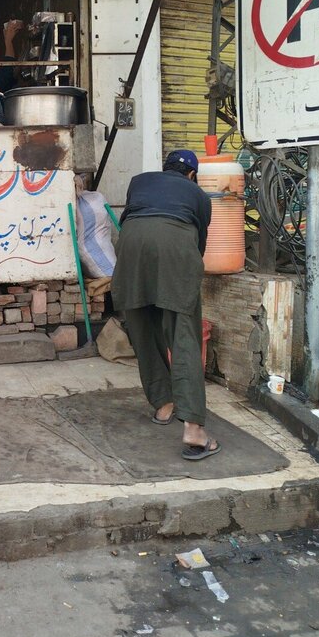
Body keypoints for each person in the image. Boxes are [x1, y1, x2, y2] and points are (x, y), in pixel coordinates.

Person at [111, 149, 218, 461]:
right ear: (191, 175)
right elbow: (197, 246)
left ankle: (163, 405)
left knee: (142, 326)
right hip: (175, 246)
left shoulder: (139, 182)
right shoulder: (199, 195)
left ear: (165, 168)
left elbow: (133, 218)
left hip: (130, 247)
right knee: (183, 333)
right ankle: (195, 430)